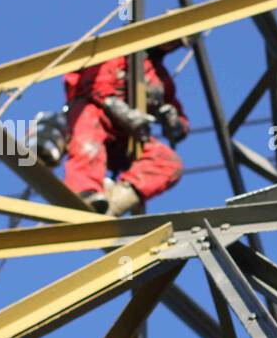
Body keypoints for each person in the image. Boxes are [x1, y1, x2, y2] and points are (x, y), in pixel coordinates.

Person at [61, 41, 189, 216]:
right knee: (88, 126)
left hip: (126, 138)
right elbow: (94, 85)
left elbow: (181, 124)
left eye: (176, 44)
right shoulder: (118, 51)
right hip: (99, 118)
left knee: (168, 162)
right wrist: (127, 115)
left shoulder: (160, 78)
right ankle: (85, 192)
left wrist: (174, 122)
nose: (170, 46)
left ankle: (112, 204)